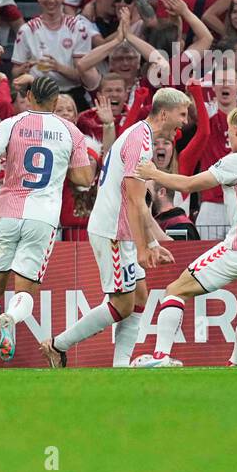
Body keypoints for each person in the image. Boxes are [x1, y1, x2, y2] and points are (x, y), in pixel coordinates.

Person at [39, 88, 191, 369]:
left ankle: (121, 366)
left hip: (121, 231)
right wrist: (144, 247)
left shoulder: (139, 135)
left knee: (141, 295)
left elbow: (140, 202)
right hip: (113, 232)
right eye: (182, 114)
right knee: (121, 305)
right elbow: (134, 201)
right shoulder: (139, 141)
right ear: (165, 113)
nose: (184, 121)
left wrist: (151, 243)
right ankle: (57, 345)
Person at [132, 106, 237, 368]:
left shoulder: (235, 160)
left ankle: (160, 357)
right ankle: (235, 364)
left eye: (229, 131)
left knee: (175, 290)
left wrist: (153, 173)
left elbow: (188, 185)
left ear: (236, 130)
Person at [0, 74, 94, 369]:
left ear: (30, 97)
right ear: (56, 101)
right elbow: (84, 179)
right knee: (25, 289)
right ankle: (12, 317)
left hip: (7, 212)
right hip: (42, 217)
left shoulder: (12, 124)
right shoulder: (70, 131)